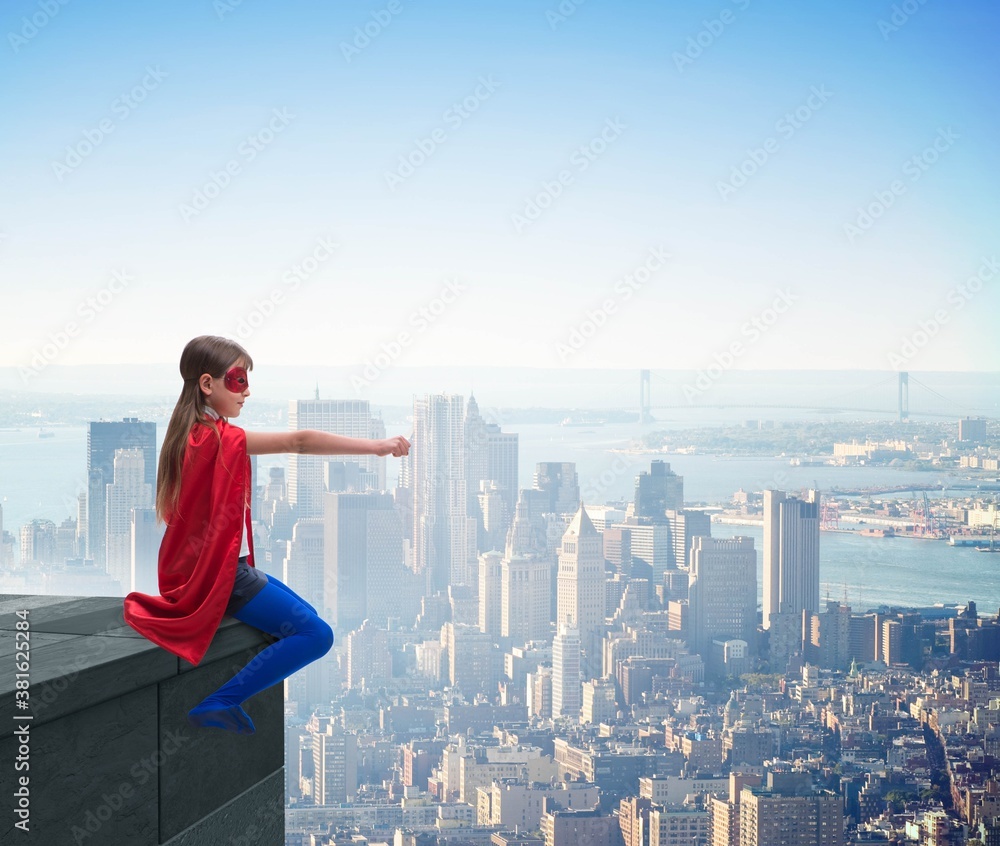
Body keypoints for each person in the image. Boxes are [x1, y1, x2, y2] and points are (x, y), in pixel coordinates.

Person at [122, 335, 409, 734]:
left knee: (306, 619)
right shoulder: (217, 437)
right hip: (226, 579)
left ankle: (224, 699)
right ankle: (220, 701)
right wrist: (376, 447)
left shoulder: (195, 433)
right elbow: (299, 442)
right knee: (317, 635)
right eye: (238, 380)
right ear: (207, 384)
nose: (247, 391)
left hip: (226, 572)